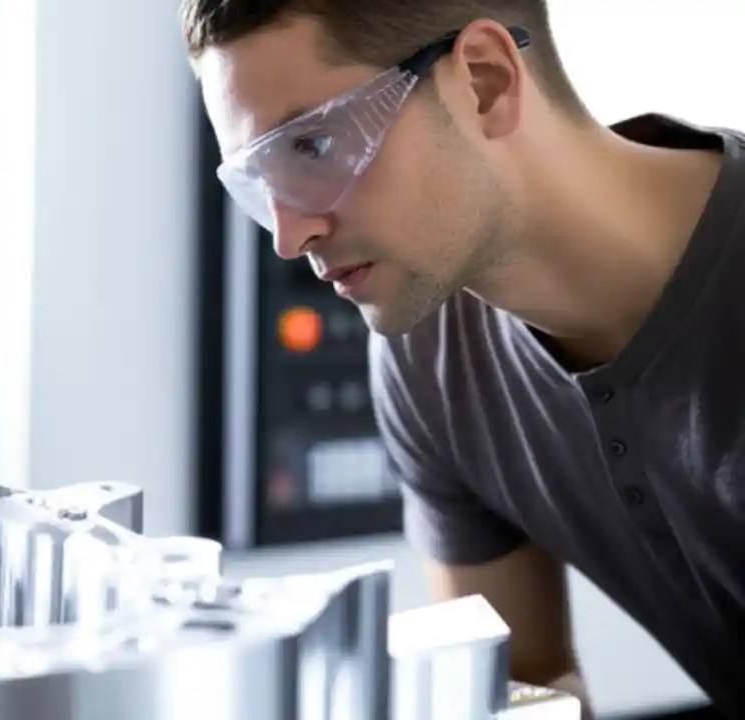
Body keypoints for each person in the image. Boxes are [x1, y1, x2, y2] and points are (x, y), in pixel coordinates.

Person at [180, 0, 743, 717]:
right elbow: (522, 691)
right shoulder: (431, 358)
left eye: (313, 147)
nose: (288, 237)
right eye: (260, 181)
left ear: (484, 81)